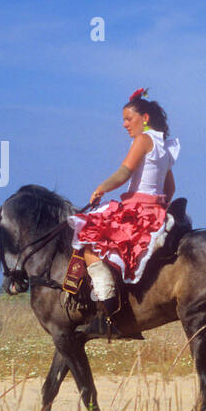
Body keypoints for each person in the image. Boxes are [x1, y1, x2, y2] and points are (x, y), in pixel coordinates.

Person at [68, 88, 180, 334]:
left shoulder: (143, 140)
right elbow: (170, 188)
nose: (124, 125)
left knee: (89, 241)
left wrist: (102, 187)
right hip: (155, 210)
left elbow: (124, 172)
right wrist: (159, 208)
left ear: (145, 118)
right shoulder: (165, 146)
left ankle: (108, 311)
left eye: (128, 119)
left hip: (136, 209)